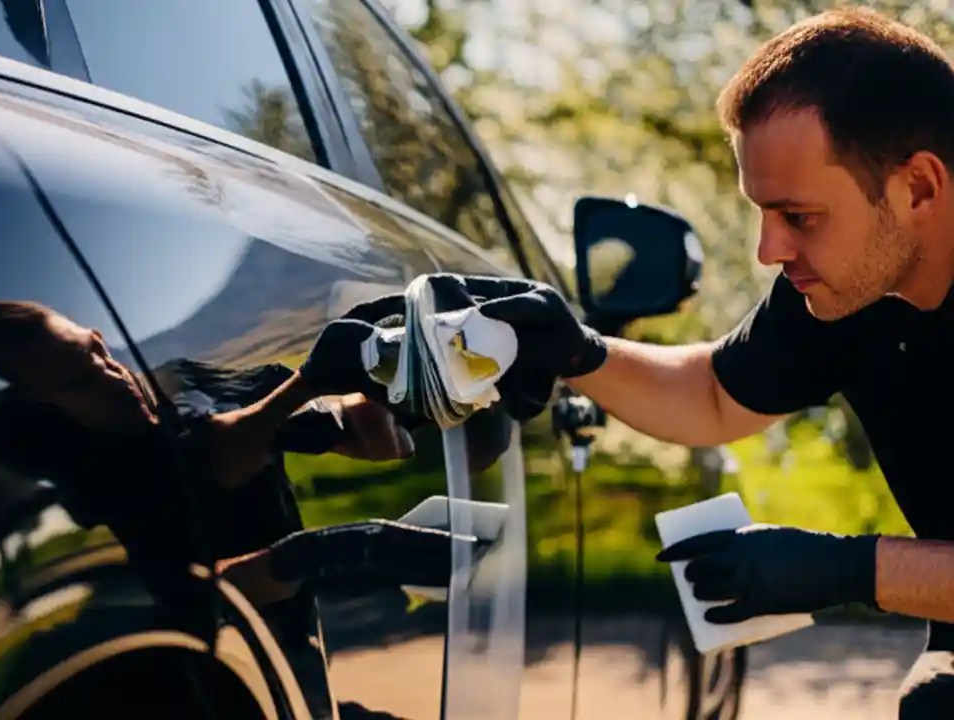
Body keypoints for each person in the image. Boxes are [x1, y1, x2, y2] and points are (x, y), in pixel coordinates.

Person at [308, 6, 954, 716]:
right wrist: (578, 351)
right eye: (762, 214)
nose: (769, 251)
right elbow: (712, 394)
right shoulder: (848, 291)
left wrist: (846, 568)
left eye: (799, 217)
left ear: (918, 187)